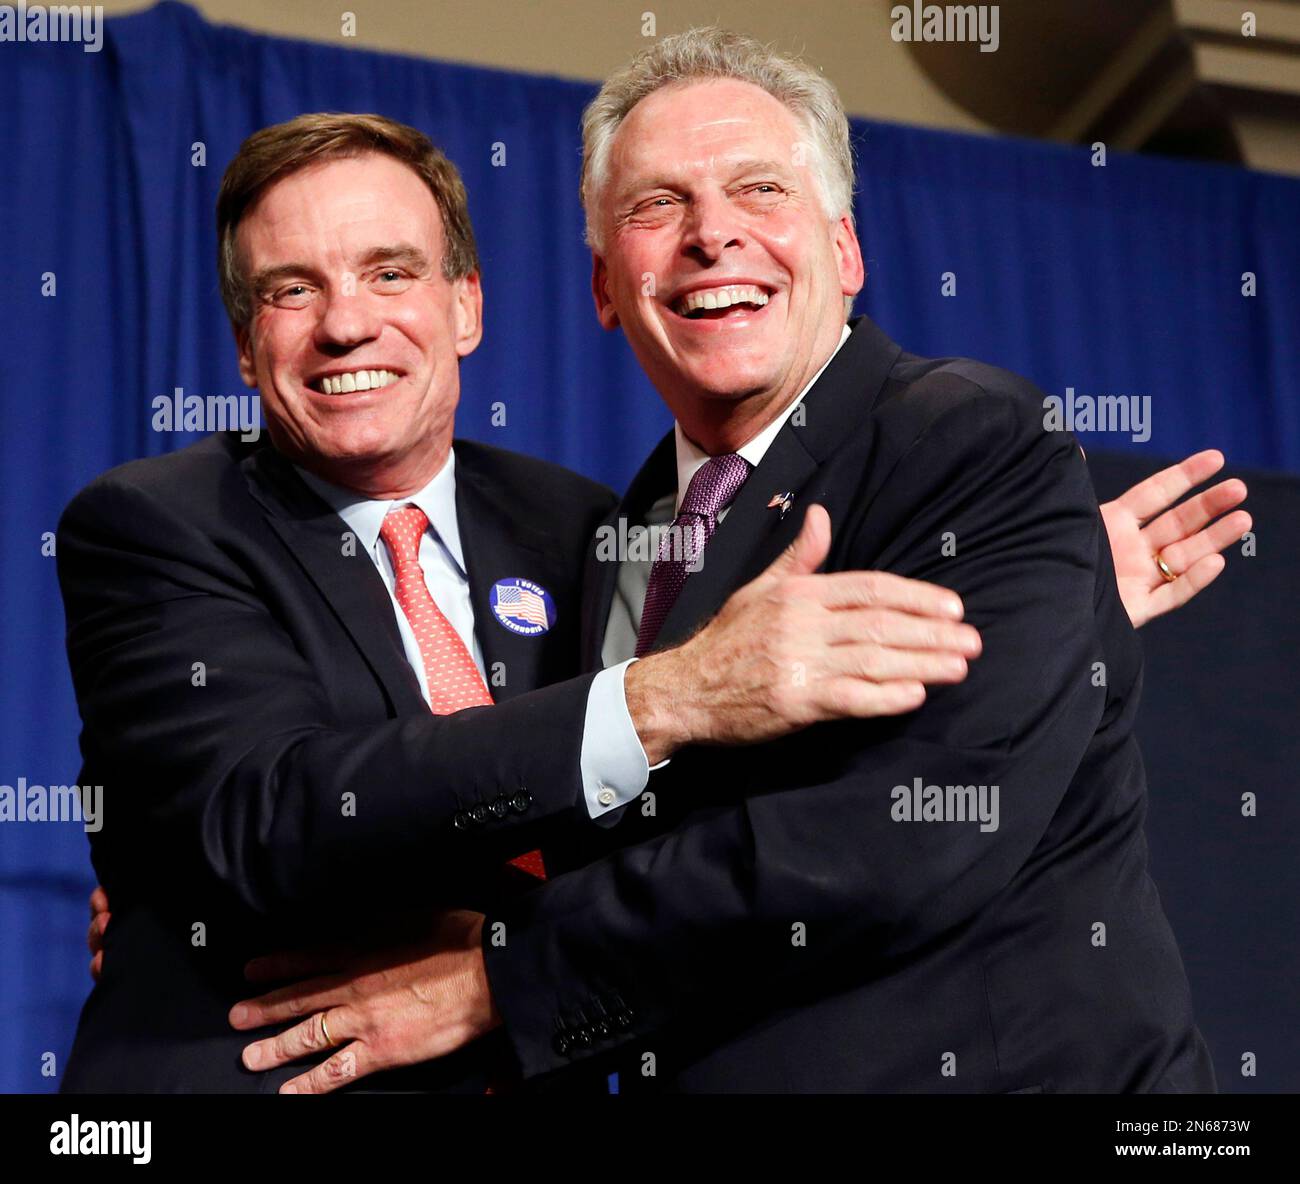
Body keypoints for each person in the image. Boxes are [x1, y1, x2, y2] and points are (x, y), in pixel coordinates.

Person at [223, 30, 1247, 1094]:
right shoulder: (622, 534)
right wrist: (191, 922)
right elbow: (587, 820)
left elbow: (898, 834)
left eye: (758, 189)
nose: (713, 235)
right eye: (655, 207)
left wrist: (502, 981)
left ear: (845, 251)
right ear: (606, 288)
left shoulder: (966, 438)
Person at [59, 112, 991, 1093]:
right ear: (248, 347)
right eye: (292, 290)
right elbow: (271, 818)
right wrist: (660, 695)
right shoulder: (152, 523)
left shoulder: (586, 526)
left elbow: (704, 809)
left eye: (389, 272)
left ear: (466, 306)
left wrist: (1025, 590)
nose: (345, 323)